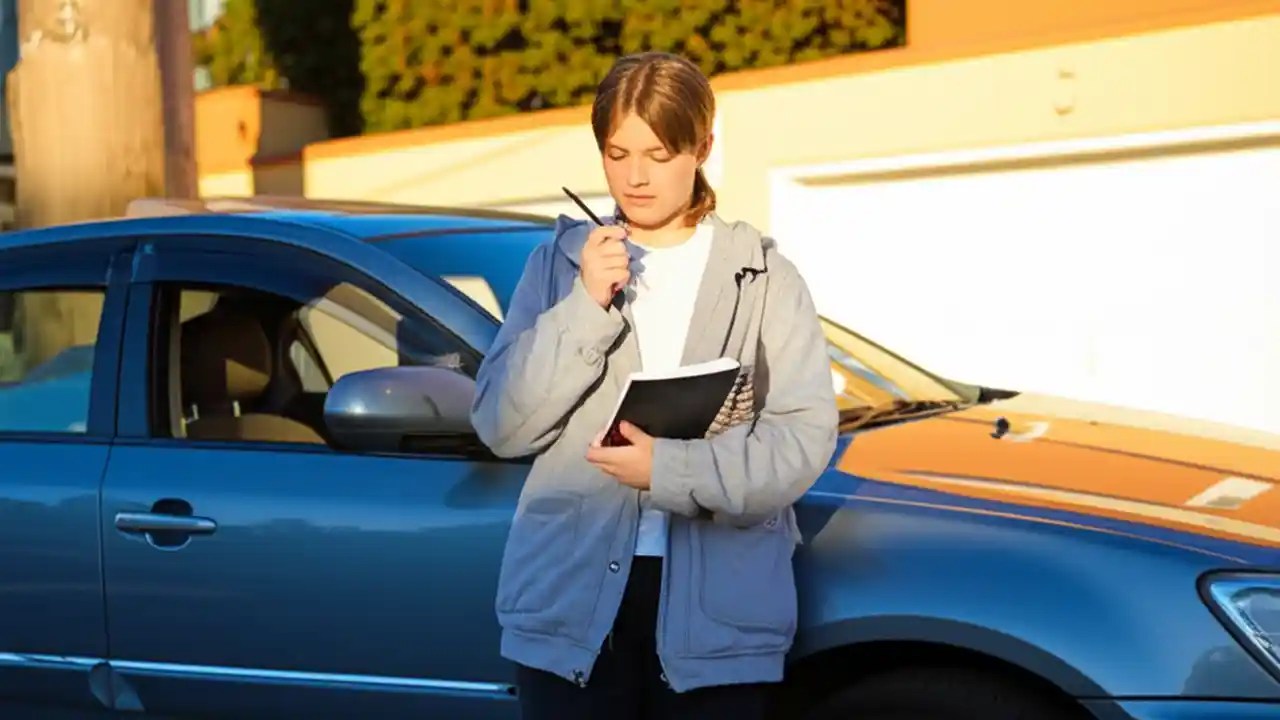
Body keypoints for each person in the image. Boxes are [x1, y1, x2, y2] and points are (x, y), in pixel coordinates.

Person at [470, 51, 837, 720]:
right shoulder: (558, 267)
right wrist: (585, 304)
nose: (634, 177)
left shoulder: (763, 277)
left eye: (659, 153)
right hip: (570, 609)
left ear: (702, 146)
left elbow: (802, 440)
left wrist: (667, 469)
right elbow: (500, 424)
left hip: (719, 621)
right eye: (617, 152)